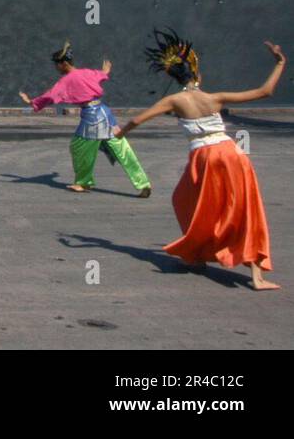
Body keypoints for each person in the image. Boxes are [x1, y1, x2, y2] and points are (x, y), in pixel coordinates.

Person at [116, 30, 285, 289]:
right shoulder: (213, 98)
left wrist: (120, 133)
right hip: (231, 154)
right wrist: (280, 63)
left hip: (204, 157)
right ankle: (254, 275)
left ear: (173, 76)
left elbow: (138, 119)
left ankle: (197, 255)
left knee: (186, 201)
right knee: (243, 208)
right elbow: (265, 92)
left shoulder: (174, 100)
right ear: (197, 74)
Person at [19, 41, 151, 195]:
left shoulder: (67, 80)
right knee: (122, 148)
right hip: (105, 113)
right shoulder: (87, 72)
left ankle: (84, 183)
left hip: (92, 117)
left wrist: (31, 102)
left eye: (57, 65)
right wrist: (105, 70)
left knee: (79, 145)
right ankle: (143, 183)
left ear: (64, 64)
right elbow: (101, 75)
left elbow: (50, 95)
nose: (56, 68)